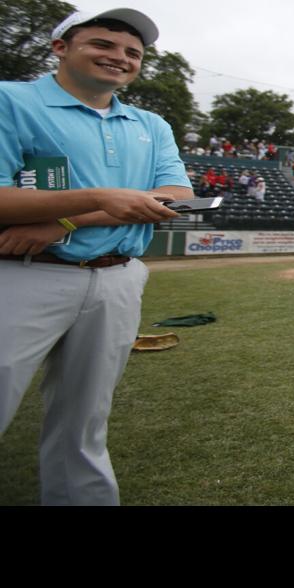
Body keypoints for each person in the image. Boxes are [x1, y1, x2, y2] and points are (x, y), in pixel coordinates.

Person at [0, 8, 189, 505]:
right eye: (103, 44)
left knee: (85, 421)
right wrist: (102, 199)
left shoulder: (150, 123)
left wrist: (68, 218)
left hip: (116, 276)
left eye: (132, 52)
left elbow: (176, 195)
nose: (119, 57)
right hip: (21, 274)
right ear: (60, 47)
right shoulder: (10, 100)